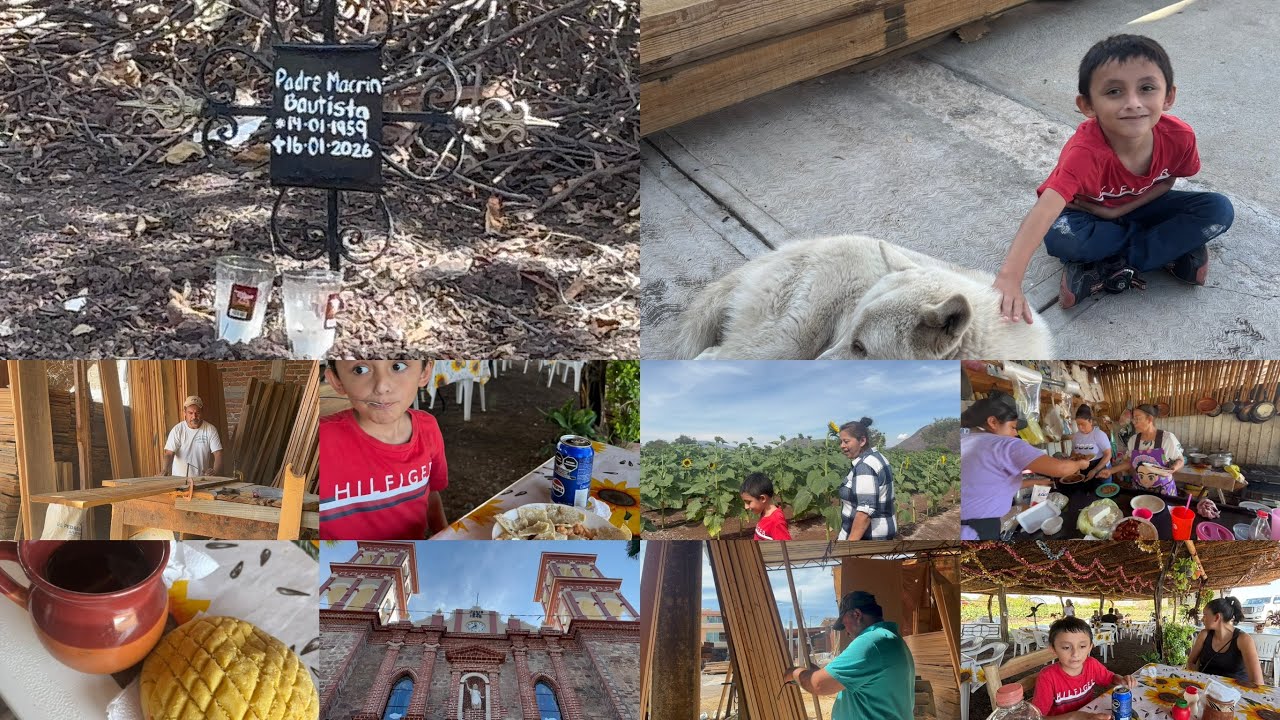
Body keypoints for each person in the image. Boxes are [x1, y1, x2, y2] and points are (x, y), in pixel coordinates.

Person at [993, 34, 1233, 319]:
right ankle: (1169, 250)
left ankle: (1100, 267)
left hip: (1140, 205)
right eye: (1114, 92)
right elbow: (1044, 210)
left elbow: (1168, 181)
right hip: (1086, 217)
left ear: (1168, 96)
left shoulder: (1180, 137)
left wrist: (1119, 211)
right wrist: (1010, 277)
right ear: (1087, 106)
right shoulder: (1084, 152)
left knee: (1217, 209)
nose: (1133, 102)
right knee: (1063, 237)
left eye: (1146, 88)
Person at [319, 360, 449, 540]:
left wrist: (444, 537)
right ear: (337, 381)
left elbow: (431, 493)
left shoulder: (428, 428)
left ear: (424, 372)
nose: (381, 386)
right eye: (360, 370)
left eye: (398, 366)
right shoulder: (316, 441)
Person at [960, 393, 1090, 540]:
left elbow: (989, 484)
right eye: (1012, 427)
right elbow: (1061, 469)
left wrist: (1037, 482)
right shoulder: (1004, 444)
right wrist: (1081, 464)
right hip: (977, 532)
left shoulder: (964, 441)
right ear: (993, 422)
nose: (1015, 433)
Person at [783, 591, 914, 720]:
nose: (846, 632)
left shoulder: (871, 642)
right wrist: (816, 674)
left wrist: (794, 672)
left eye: (844, 624)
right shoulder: (890, 639)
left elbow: (818, 685)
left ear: (856, 614)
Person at [1032, 617, 1137, 720]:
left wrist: (1121, 680)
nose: (1075, 654)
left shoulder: (1091, 664)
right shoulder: (1047, 677)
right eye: (1066, 647)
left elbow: (1110, 678)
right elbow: (1037, 717)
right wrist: (1074, 716)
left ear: (1090, 647)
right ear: (1053, 649)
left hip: (1088, 715)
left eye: (1082, 646)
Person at [1097, 404, 1182, 495]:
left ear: (1149, 419)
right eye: (1133, 418)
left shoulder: (1167, 439)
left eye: (1137, 418)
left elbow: (1180, 459)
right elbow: (1130, 462)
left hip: (1163, 491)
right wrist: (1110, 471)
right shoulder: (1133, 440)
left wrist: (1174, 467)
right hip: (1139, 489)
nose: (1134, 422)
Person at [836, 418, 895, 540]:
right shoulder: (878, 457)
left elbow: (864, 513)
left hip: (869, 536)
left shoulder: (865, 466)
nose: (842, 446)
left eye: (846, 441)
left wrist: (849, 547)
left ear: (862, 441)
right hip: (882, 532)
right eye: (841, 441)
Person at [1187, 597, 1265, 685]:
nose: (1202, 619)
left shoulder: (1243, 640)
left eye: (1205, 615)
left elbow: (1258, 682)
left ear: (1217, 617)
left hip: (1235, 691)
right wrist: (1195, 680)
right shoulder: (1204, 635)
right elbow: (1191, 662)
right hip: (1206, 687)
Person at [162, 395, 224, 477]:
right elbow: (169, 453)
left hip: (201, 480)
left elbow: (218, 453)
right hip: (179, 479)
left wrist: (215, 471)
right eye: (190, 413)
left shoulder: (210, 429)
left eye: (197, 413)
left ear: (202, 412)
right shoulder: (177, 430)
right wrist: (164, 470)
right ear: (185, 413)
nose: (194, 417)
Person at [740, 472, 791, 541]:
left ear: (762, 498)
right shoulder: (764, 512)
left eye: (748, 502)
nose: (746, 507)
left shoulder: (776, 521)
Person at [1069, 406, 1112, 481]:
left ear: (1090, 421)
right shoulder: (1076, 436)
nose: (1080, 428)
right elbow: (1073, 452)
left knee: (1100, 491)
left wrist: (1095, 470)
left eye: (1083, 424)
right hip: (1082, 470)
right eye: (1078, 424)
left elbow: (1108, 454)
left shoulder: (1099, 434)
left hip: (1100, 469)